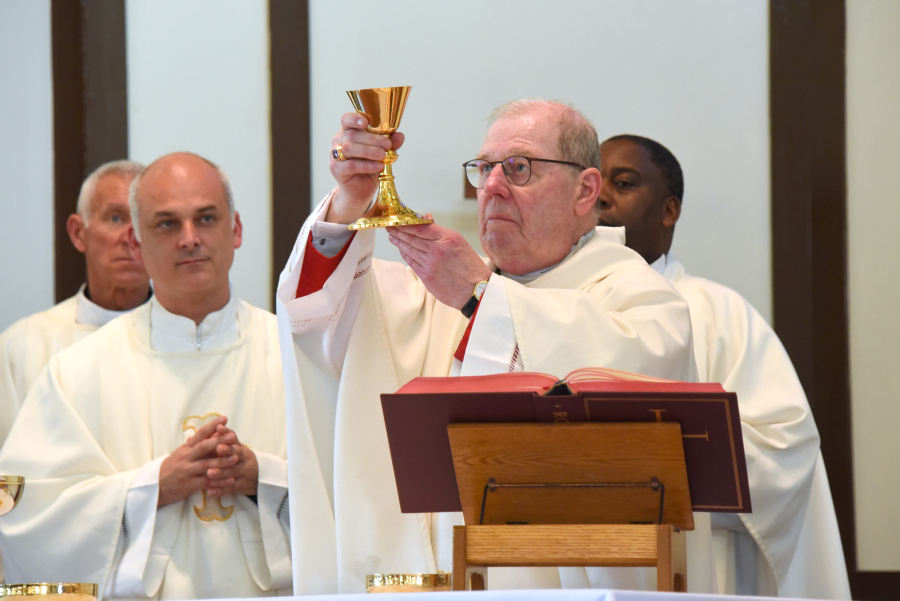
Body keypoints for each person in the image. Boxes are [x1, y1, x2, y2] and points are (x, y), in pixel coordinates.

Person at [275, 100, 707, 594]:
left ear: (585, 190)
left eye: (519, 168)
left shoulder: (639, 301)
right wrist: (351, 203)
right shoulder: (433, 291)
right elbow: (315, 316)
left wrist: (479, 297)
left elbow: (622, 409)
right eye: (485, 169)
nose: (493, 187)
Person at [0, 153, 291, 598]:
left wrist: (263, 479)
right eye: (167, 224)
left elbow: (360, 496)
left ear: (235, 230)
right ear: (137, 244)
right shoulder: (77, 371)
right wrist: (153, 487)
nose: (190, 239)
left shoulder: (297, 357)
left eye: (206, 218)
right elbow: (27, 519)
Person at [595, 133, 851, 599]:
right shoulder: (564, 309)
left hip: (695, 559)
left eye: (624, 183)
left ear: (669, 210)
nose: (602, 197)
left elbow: (785, 447)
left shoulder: (718, 313)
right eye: (592, 185)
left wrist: (651, 470)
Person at [0, 160, 151, 445]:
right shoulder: (21, 346)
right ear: (78, 233)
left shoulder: (183, 337)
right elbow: (8, 464)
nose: (132, 238)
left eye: (144, 220)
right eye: (116, 218)